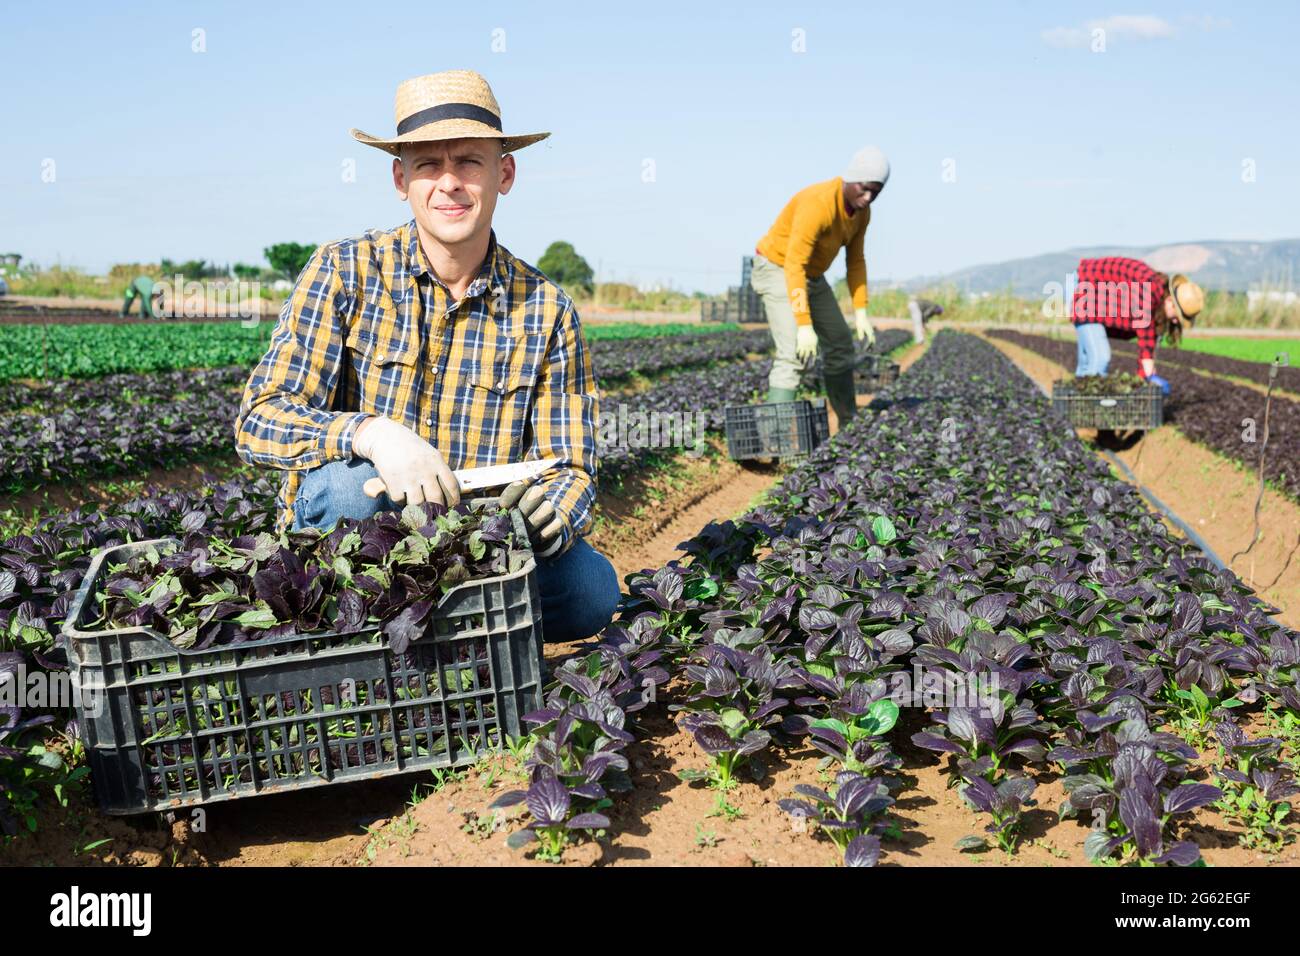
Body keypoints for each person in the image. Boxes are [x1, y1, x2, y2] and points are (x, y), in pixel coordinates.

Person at [234, 70, 619, 644]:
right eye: (426, 166)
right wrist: (373, 436)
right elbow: (258, 419)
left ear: (503, 173)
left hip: (476, 547)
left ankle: (443, 630)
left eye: (468, 162)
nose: (449, 184)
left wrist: (549, 518)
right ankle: (357, 637)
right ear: (400, 179)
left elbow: (571, 465)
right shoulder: (345, 269)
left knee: (591, 588)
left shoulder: (546, 310)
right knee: (344, 490)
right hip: (360, 548)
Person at [751, 146, 889, 425]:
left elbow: (856, 261)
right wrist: (804, 325)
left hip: (811, 275)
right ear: (850, 179)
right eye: (864, 189)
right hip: (777, 267)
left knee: (840, 345)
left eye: (876, 192)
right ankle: (771, 437)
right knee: (794, 354)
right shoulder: (819, 203)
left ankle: (848, 422)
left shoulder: (862, 213)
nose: (868, 197)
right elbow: (794, 264)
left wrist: (861, 312)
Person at [1070, 257, 1204, 395]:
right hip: (1085, 284)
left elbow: (1148, 338)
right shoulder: (1149, 288)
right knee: (1100, 358)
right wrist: (1147, 362)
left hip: (1094, 295)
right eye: (1177, 317)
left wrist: (1145, 373)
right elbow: (1144, 328)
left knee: (1086, 364)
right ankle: (1088, 409)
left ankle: (1075, 407)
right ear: (1170, 302)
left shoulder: (1156, 304)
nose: (1175, 322)